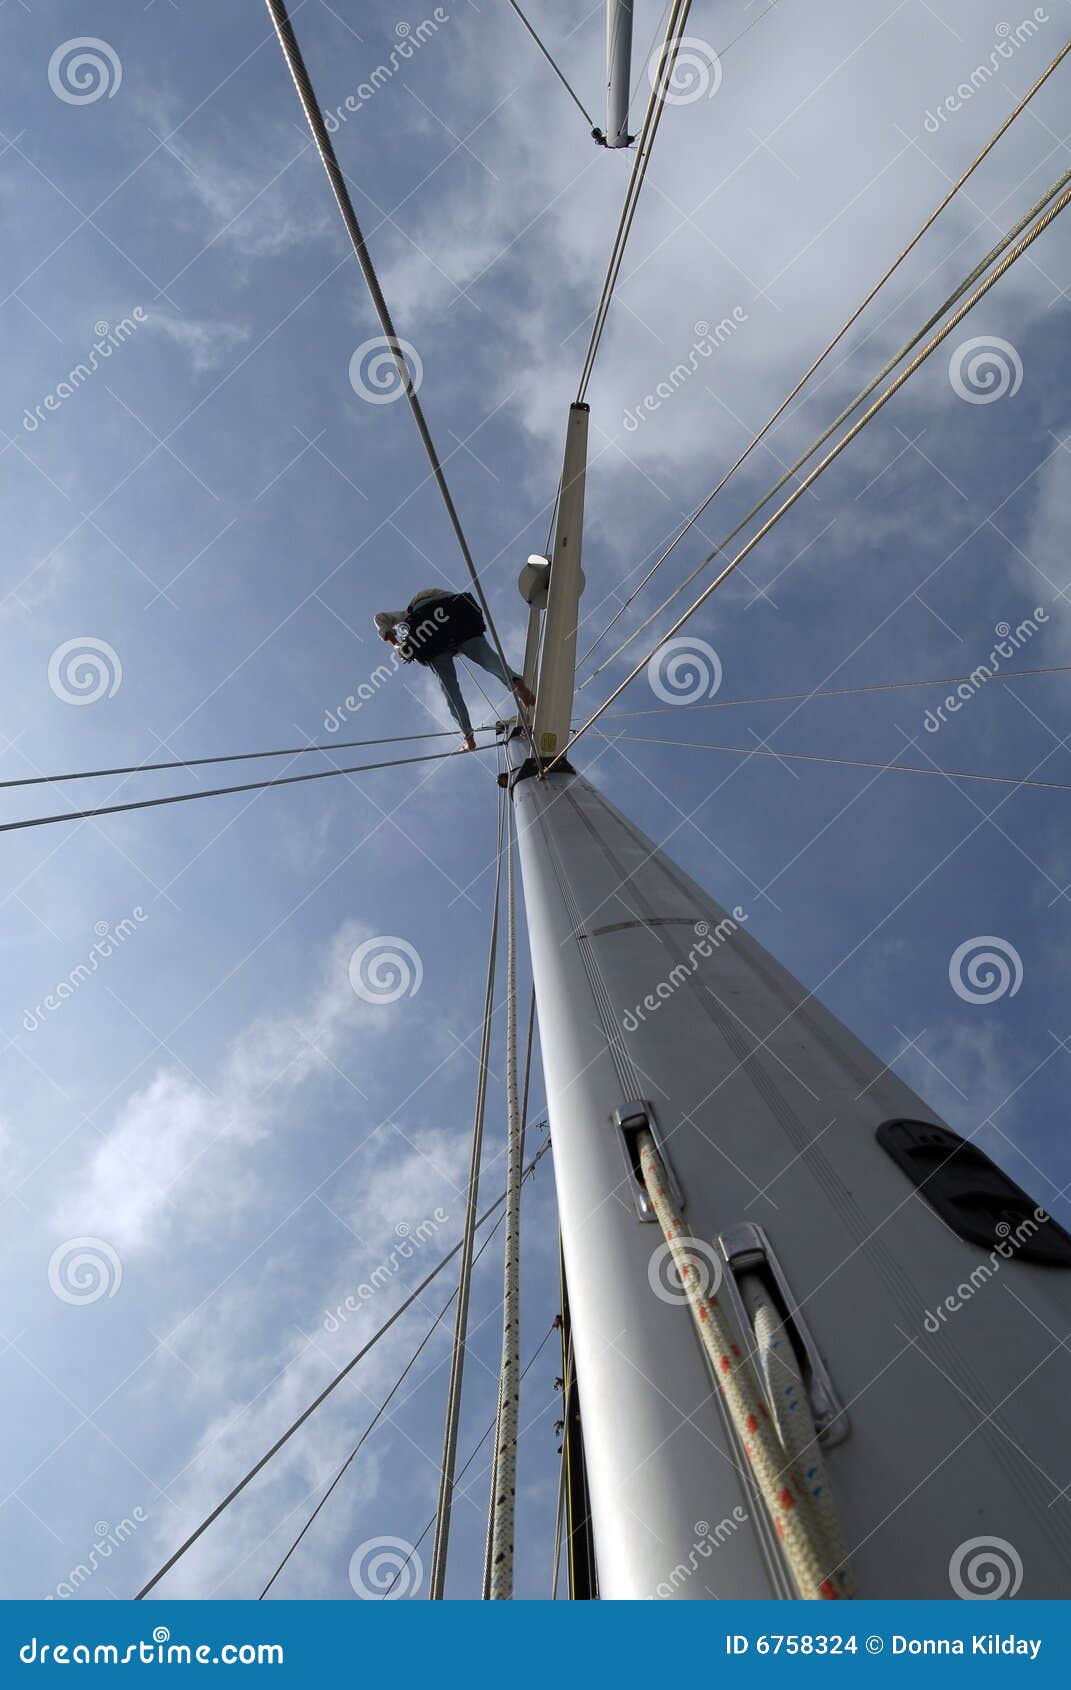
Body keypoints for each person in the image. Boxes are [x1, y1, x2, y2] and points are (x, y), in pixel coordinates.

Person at [374, 588, 534, 750]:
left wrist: (398, 646)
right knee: (489, 659)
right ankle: (515, 683)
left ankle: (468, 736)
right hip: (457, 612)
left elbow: (380, 618)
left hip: (426, 623)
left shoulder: (406, 614)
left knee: (450, 688)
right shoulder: (434, 609)